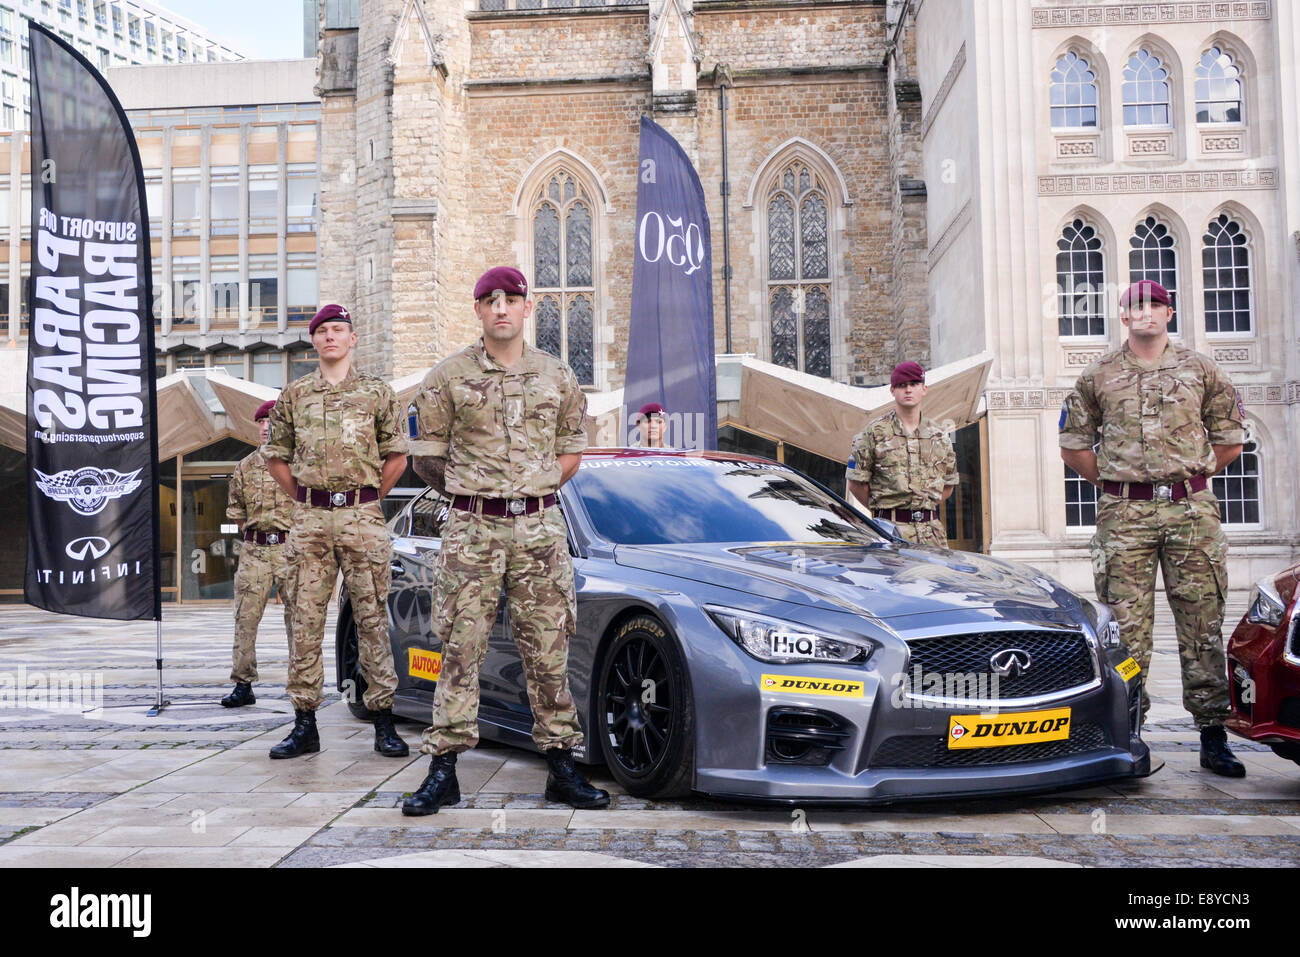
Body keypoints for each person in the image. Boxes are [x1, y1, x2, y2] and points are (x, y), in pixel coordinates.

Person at [402, 266, 609, 815]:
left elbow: (570, 450)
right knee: (458, 648)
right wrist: (479, 494)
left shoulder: (556, 375)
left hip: (540, 531)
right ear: (477, 310)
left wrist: (529, 492)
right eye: (490, 300)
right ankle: (443, 769)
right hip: (472, 530)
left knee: (548, 650)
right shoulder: (447, 377)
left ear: (526, 308)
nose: (500, 308)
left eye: (510, 299)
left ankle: (562, 767)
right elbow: (428, 457)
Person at [1059, 279, 1246, 777]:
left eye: (1155, 305)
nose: (1145, 313)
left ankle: (1212, 734)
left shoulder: (1201, 369)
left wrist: (1186, 479)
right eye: (1135, 306)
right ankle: (1128, 731)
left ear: (1169, 312)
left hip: (1191, 514)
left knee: (1202, 624)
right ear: (1123, 316)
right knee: (1126, 632)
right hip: (1124, 519)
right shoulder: (1098, 375)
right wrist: (1123, 485)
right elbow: (1074, 445)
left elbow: (1229, 439)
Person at [262, 303, 410, 760]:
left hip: (363, 519)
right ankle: (305, 722)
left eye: (338, 330)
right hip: (309, 522)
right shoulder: (294, 395)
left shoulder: (377, 393)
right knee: (303, 622)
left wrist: (365, 500)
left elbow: (397, 458)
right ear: (314, 340)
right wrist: (308, 501)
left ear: (352, 339)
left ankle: (383, 720)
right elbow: (276, 458)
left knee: (371, 619)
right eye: (323, 330)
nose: (331, 337)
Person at [221, 398, 294, 708]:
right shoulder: (245, 466)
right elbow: (237, 511)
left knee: (301, 620)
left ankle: (302, 685)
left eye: (271, 421)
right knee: (245, 619)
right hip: (254, 549)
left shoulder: (298, 462)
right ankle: (243, 683)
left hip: (292, 548)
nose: (266, 427)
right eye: (262, 422)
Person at [845, 361, 957, 547]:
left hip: (932, 534)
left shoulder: (939, 435)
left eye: (914, 384)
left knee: (936, 576)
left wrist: (923, 504)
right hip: (890, 531)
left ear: (924, 389)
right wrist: (883, 510)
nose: (908, 390)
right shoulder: (874, 433)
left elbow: (948, 485)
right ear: (892, 390)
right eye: (902, 385)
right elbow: (856, 483)